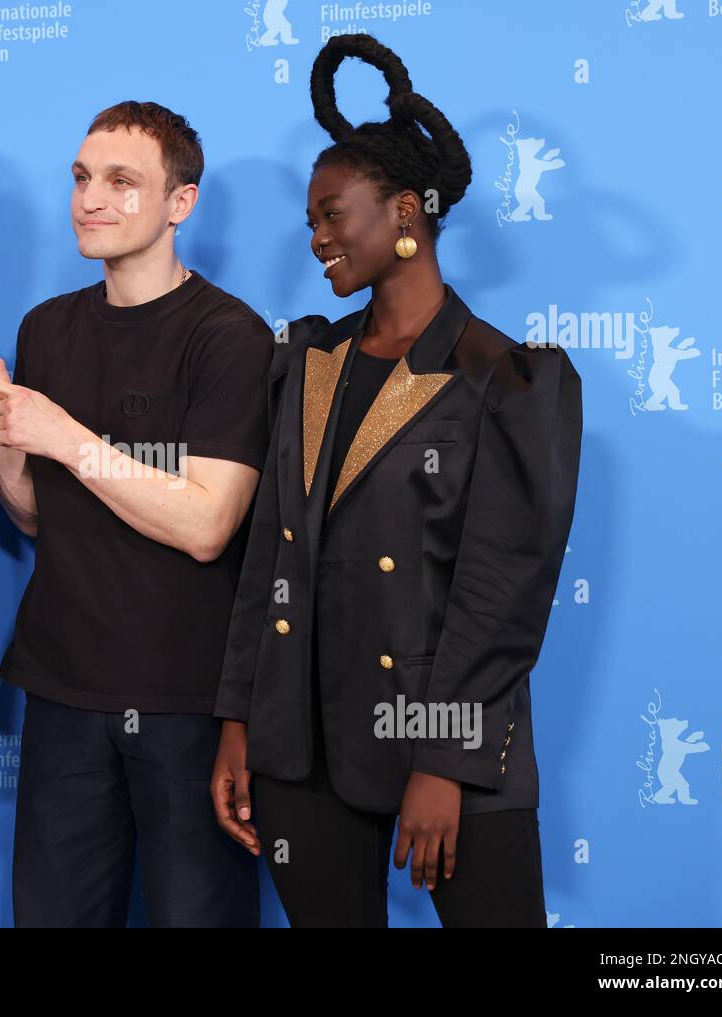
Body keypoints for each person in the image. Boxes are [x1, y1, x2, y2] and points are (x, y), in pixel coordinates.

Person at [211, 34, 583, 928]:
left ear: (407, 213)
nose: (317, 238)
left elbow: (504, 588)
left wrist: (445, 759)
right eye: (311, 220)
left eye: (335, 214)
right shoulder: (307, 360)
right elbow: (270, 554)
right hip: (303, 749)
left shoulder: (507, 377)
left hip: (448, 750)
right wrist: (240, 721)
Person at [0, 101, 271, 927]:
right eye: (82, 178)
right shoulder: (48, 327)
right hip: (63, 693)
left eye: (122, 181)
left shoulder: (230, 336)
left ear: (179, 203)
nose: (91, 198)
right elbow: (44, 518)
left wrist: (64, 433)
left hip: (185, 700)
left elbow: (205, 524)